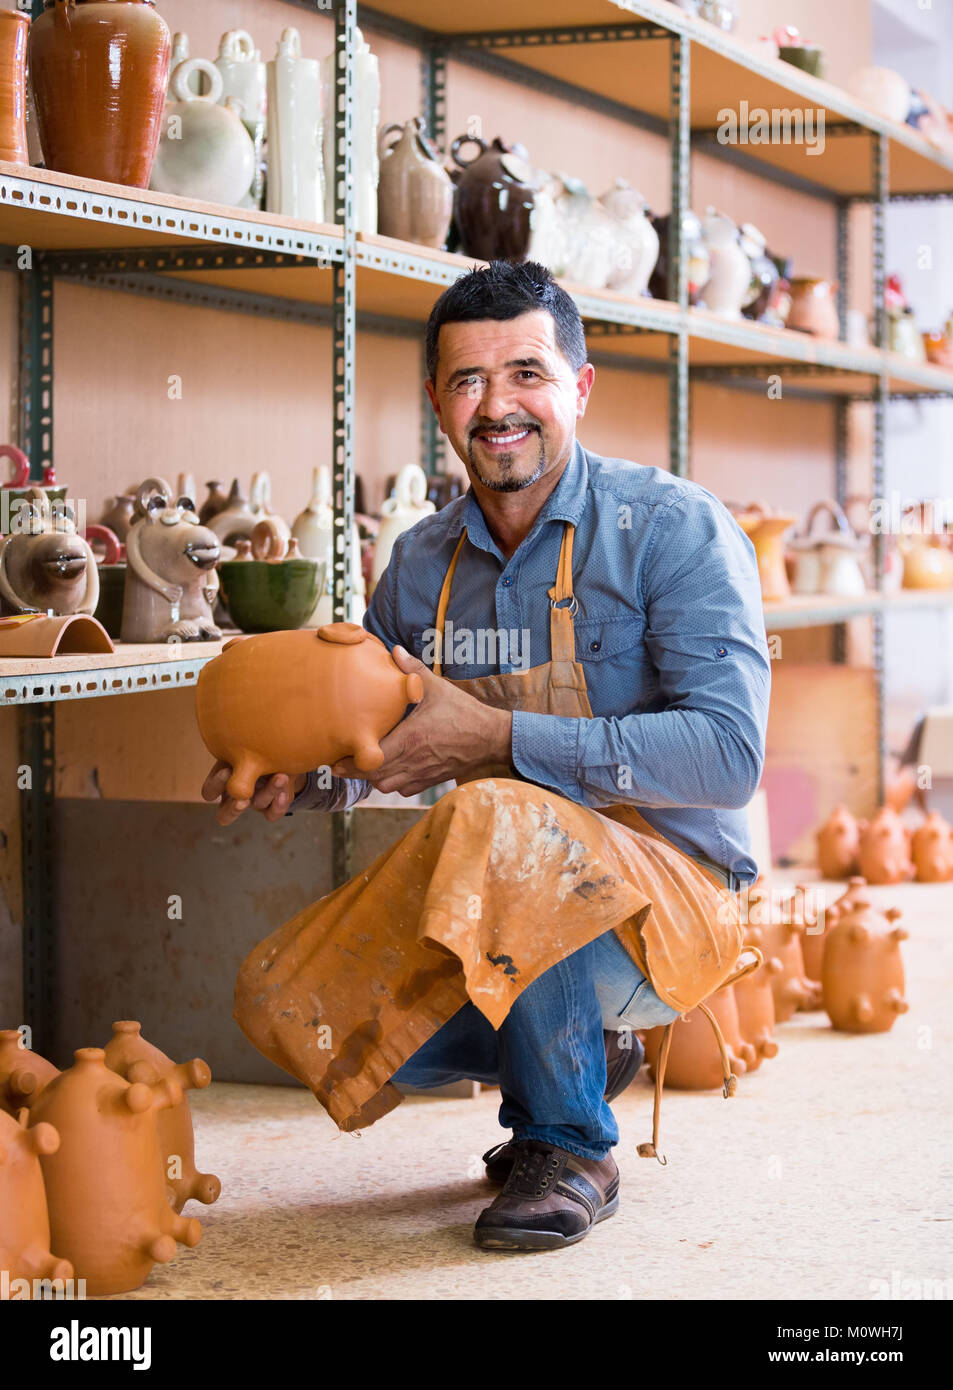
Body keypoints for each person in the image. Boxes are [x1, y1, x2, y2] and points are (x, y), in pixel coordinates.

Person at [203, 260, 771, 1252]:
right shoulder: (424, 564)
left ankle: (566, 1139)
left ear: (579, 386)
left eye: (526, 374)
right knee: (285, 1001)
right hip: (502, 892)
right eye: (466, 381)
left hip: (674, 904)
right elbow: (378, 745)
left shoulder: (673, 528)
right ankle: (578, 1051)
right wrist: (302, 777)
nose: (496, 405)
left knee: (501, 809)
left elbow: (725, 757)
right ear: (435, 401)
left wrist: (499, 736)